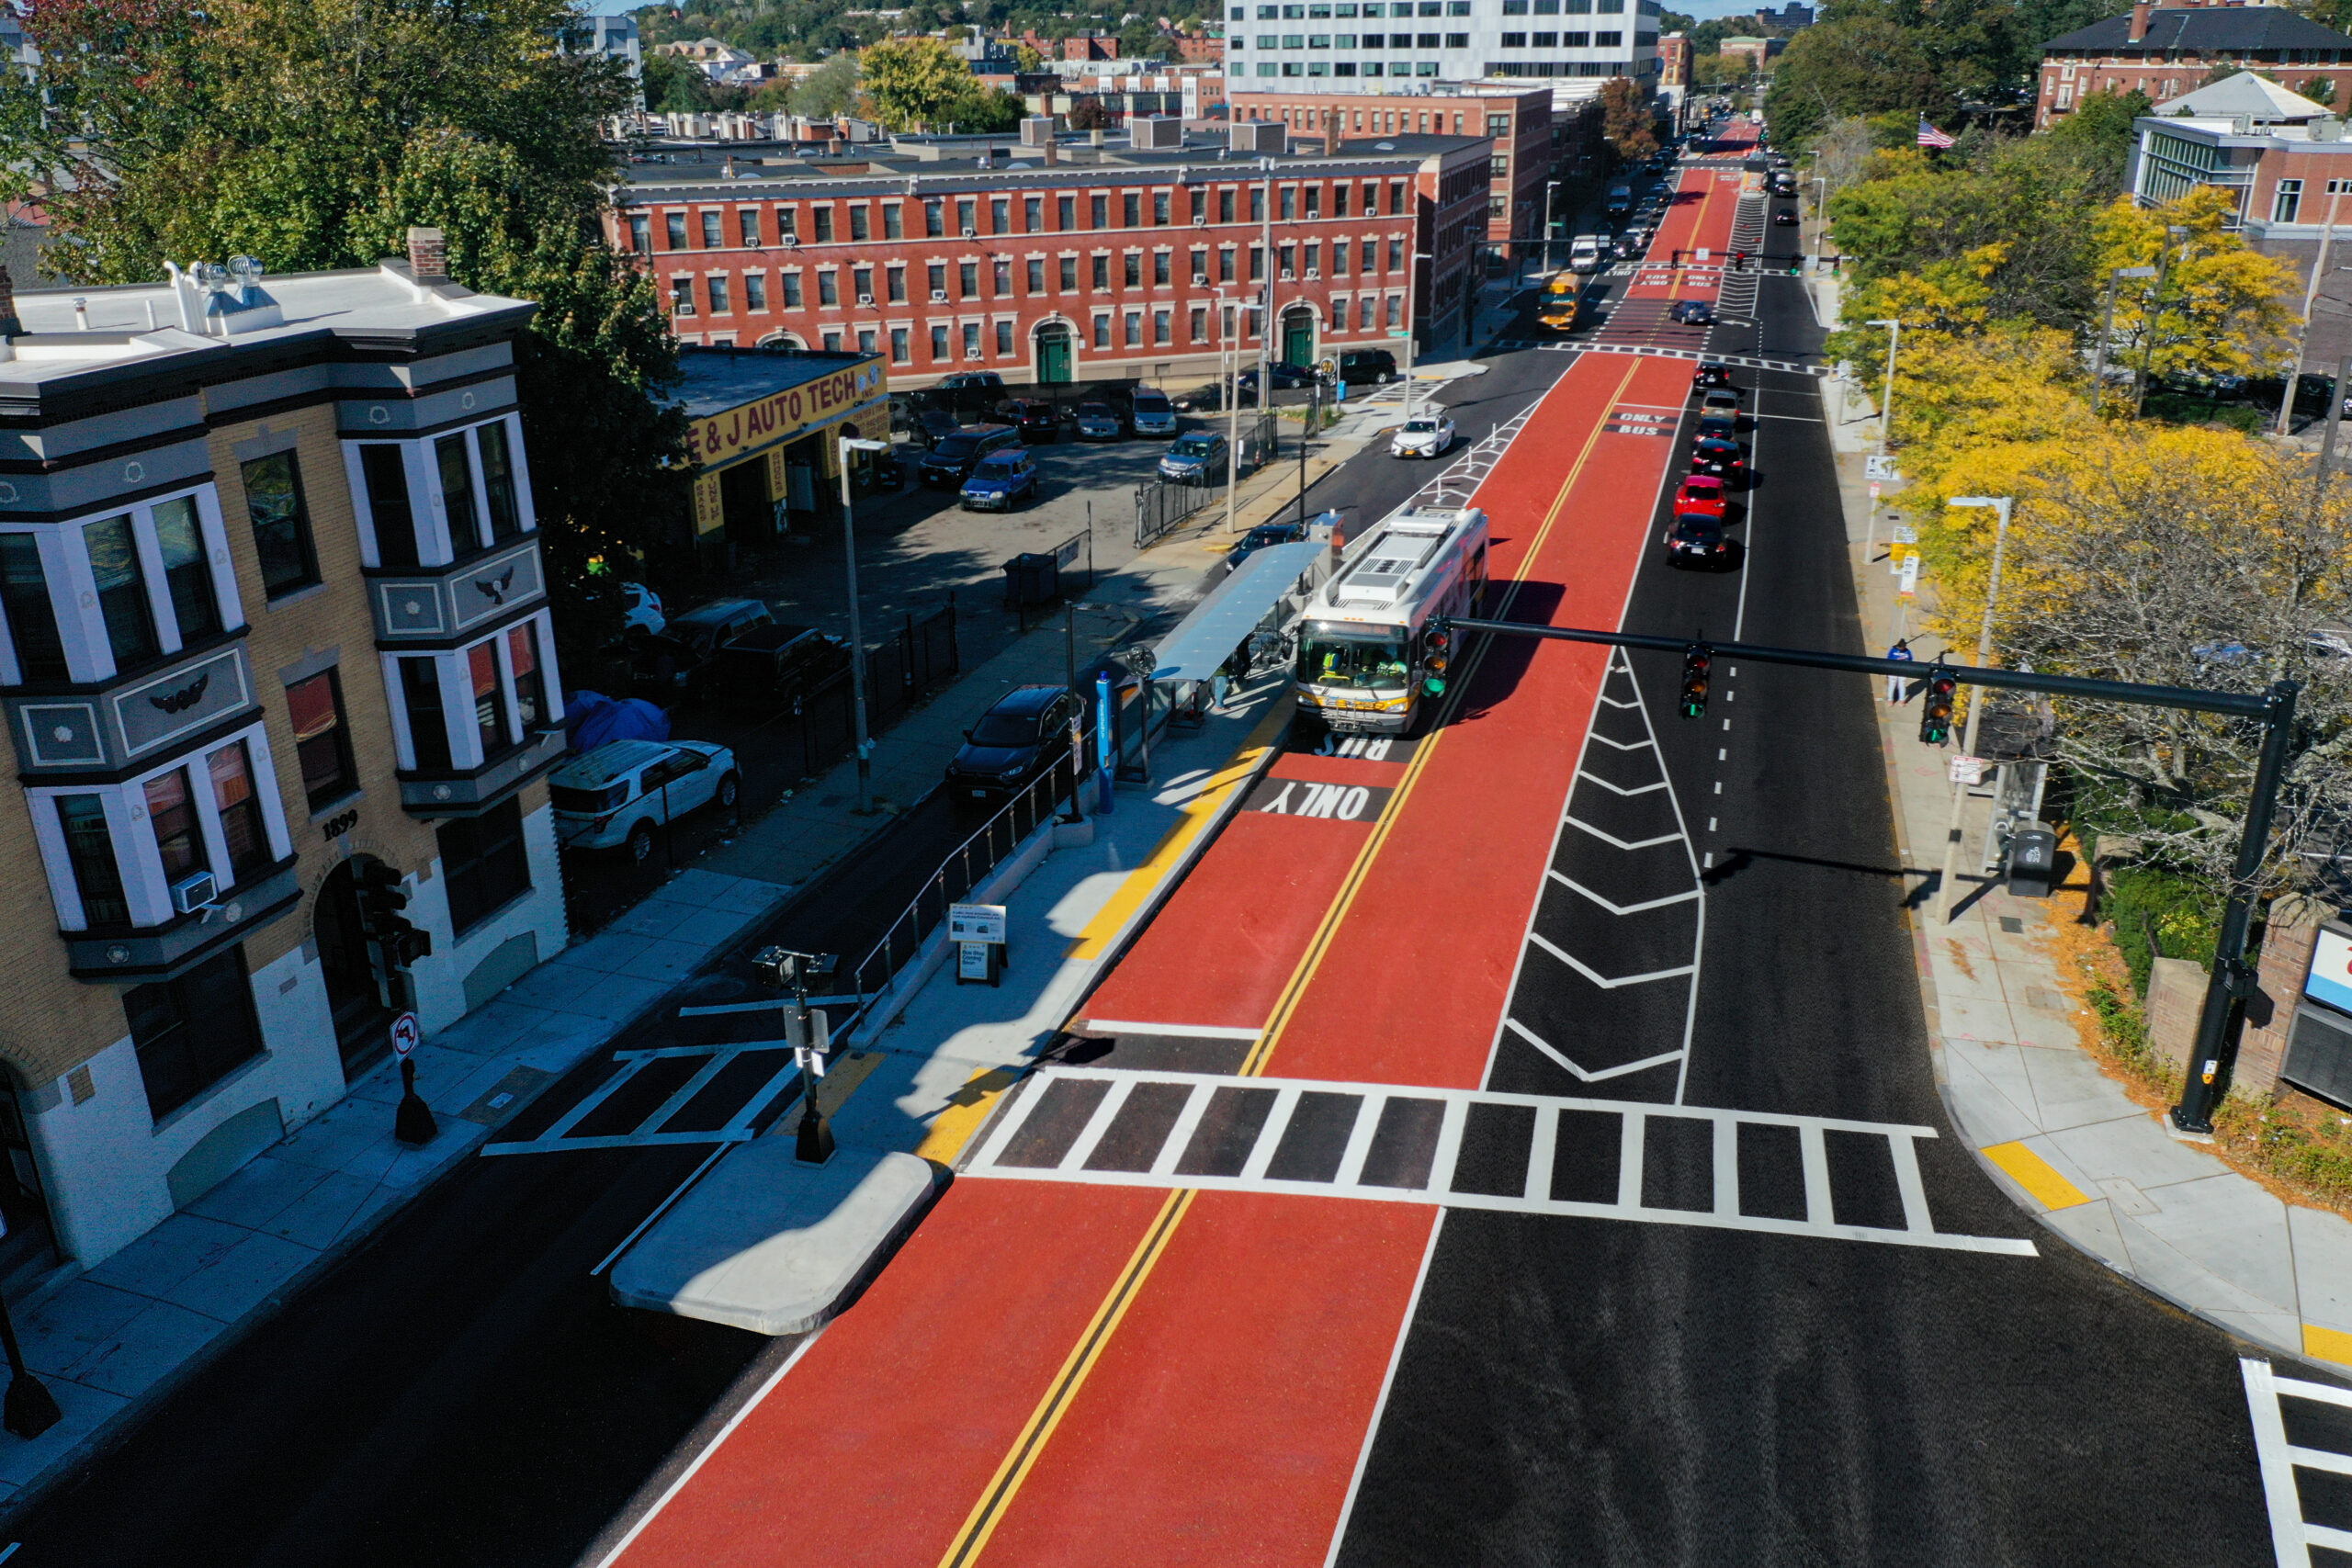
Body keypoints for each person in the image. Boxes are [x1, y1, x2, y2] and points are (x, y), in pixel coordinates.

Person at [1885, 637, 1915, 703]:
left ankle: (1902, 700)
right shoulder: (1893, 650)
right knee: (1892, 684)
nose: (1901, 649)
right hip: (1893, 669)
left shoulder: (1907, 651)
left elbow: (1910, 660)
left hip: (1903, 670)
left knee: (1902, 685)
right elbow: (1888, 659)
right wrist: (1896, 660)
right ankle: (1890, 699)